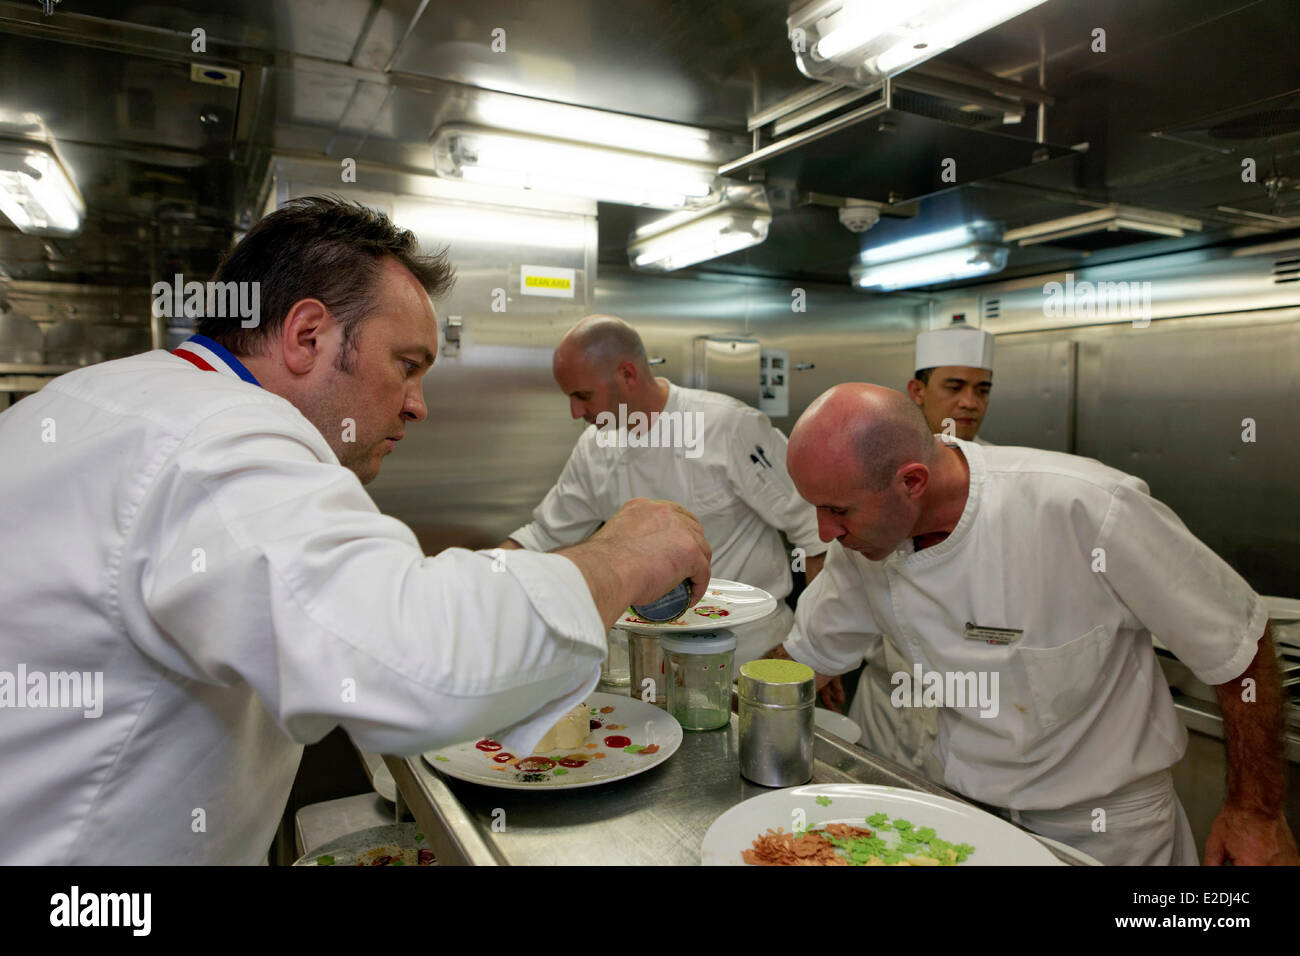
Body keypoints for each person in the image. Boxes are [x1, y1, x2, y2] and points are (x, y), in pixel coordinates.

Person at [0, 197, 710, 864]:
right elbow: (413, 659)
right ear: (308, 335)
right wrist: (622, 558)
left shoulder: (95, 400)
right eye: (406, 366)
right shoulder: (212, 439)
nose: (417, 406)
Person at [772, 382, 1297, 866]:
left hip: (1103, 833)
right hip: (961, 819)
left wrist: (1255, 810)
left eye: (837, 509)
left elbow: (1237, 646)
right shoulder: (864, 545)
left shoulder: (1083, 507)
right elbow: (803, 661)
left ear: (912, 482)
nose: (822, 530)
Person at [498, 315, 826, 664]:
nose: (575, 410)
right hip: (644, 654)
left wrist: (815, 651)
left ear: (628, 374)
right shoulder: (594, 447)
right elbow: (544, 536)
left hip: (749, 652)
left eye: (582, 395)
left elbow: (815, 534)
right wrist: (474, 579)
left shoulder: (727, 427)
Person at [907, 319, 994, 445]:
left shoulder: (1004, 462)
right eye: (954, 388)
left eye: (982, 391)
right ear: (918, 392)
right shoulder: (891, 460)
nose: (970, 404)